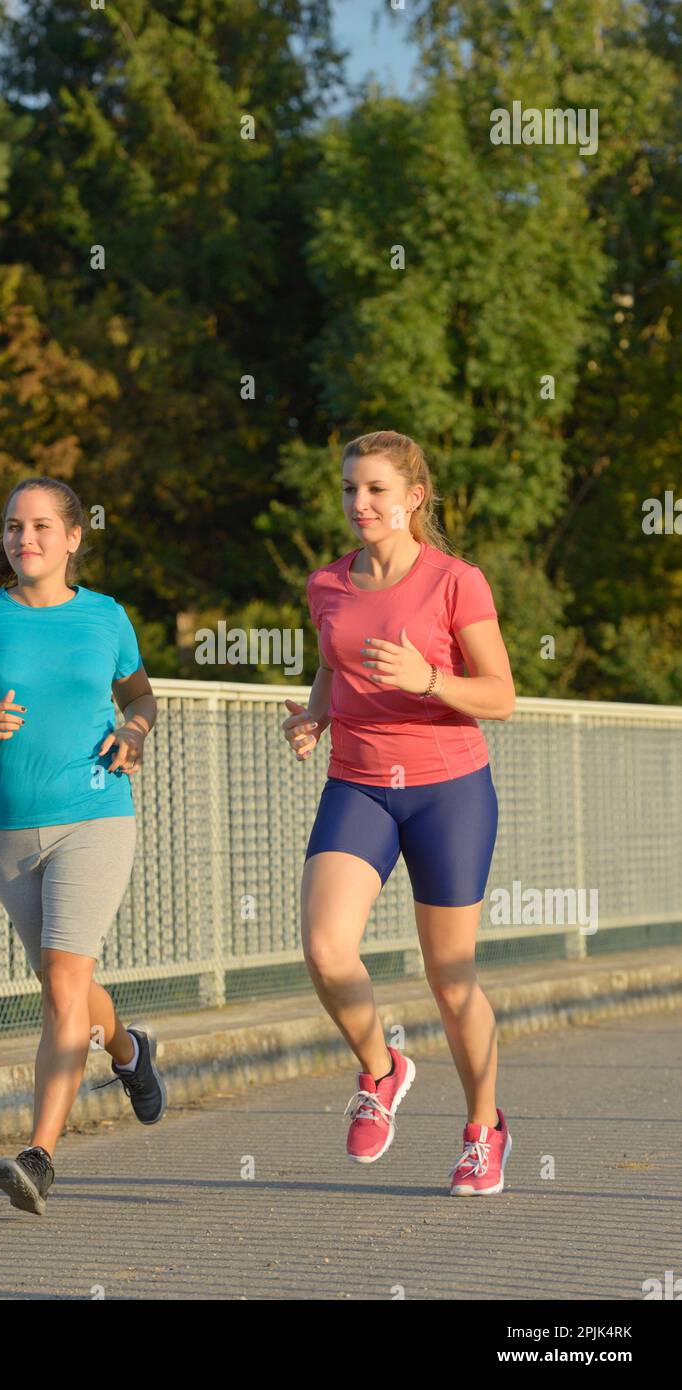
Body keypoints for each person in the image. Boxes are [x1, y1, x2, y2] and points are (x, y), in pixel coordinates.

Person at [283, 431, 517, 1195]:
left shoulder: (456, 582)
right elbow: (331, 663)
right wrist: (315, 717)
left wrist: (429, 679)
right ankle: (382, 1072)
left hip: (448, 789)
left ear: (413, 498)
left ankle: (485, 1130)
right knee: (325, 947)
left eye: (376, 490)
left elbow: (501, 696)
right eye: (350, 489)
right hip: (358, 784)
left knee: (450, 978)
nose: (359, 504)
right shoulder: (328, 584)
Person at [0, 476, 166, 1215]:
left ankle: (39, 1155)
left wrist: (133, 734)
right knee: (60, 978)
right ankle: (127, 1050)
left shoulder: (106, 617)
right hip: (3, 823)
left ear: (72, 538)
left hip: (94, 812)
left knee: (64, 980)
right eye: (12, 527)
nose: (23, 539)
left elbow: (141, 697)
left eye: (39, 527)